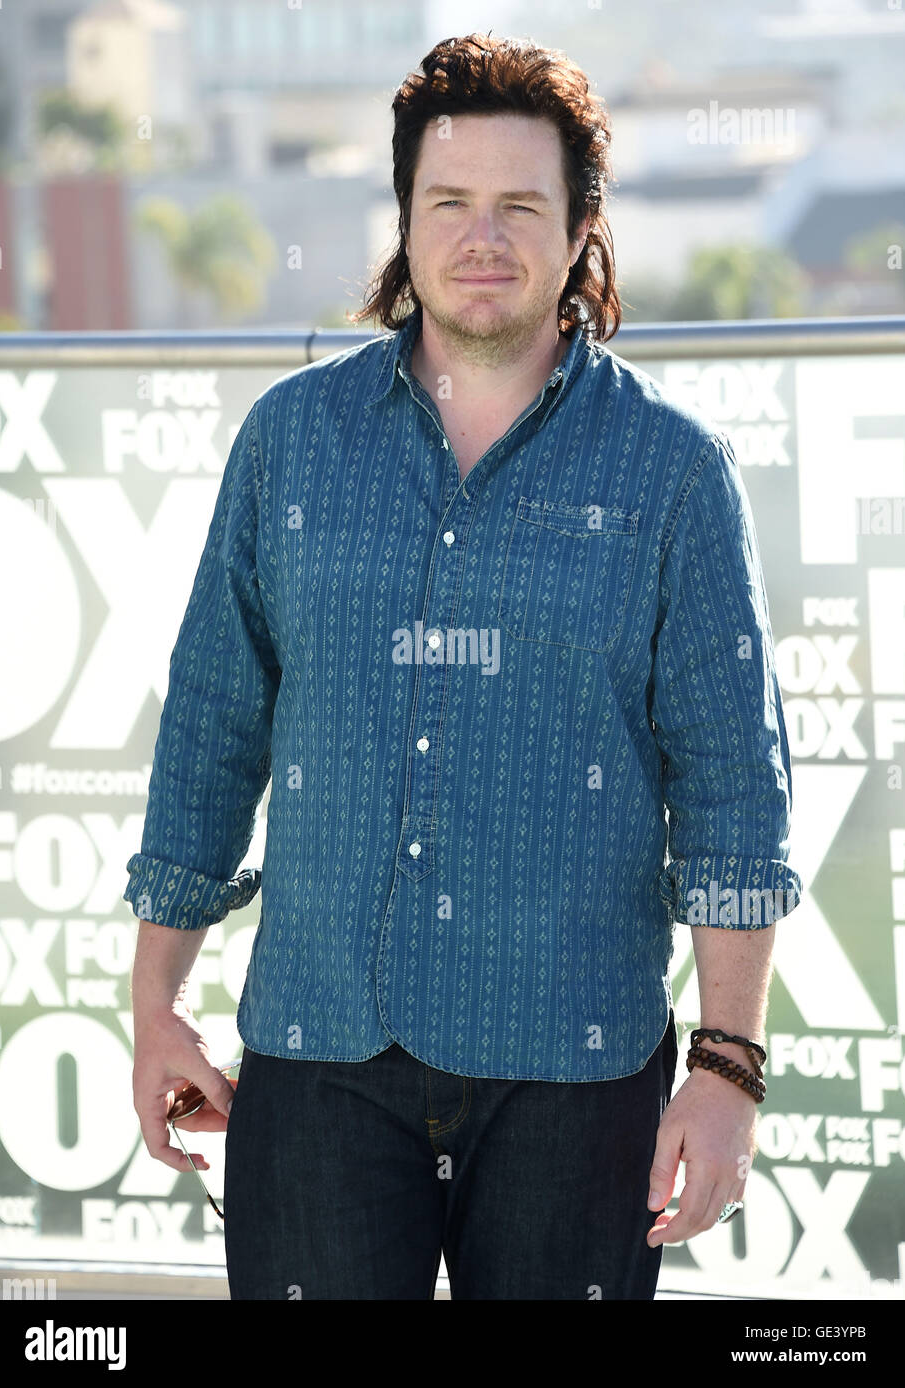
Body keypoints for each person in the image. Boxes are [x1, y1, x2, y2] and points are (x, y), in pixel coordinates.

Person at [126, 33, 802, 1300]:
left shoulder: (671, 473)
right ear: (404, 217)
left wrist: (726, 1070)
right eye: (448, 202)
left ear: (578, 226)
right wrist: (156, 997)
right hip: (317, 1057)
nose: (480, 235)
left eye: (518, 205)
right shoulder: (290, 444)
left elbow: (730, 788)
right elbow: (213, 725)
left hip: (575, 1072)